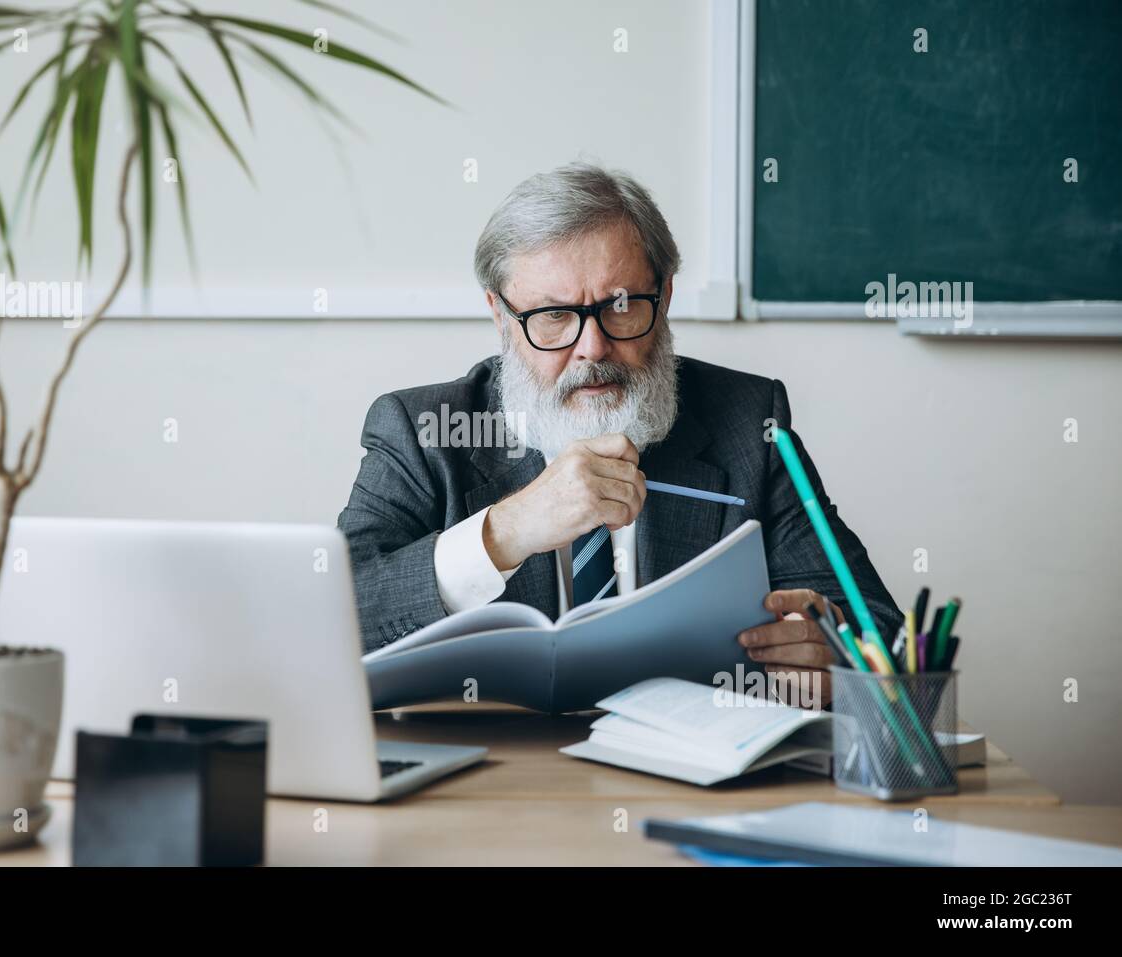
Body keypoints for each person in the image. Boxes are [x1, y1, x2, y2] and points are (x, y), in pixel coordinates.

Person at [337, 162, 901, 709]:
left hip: (684, 778)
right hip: (489, 778)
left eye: (622, 305)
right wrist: (506, 531)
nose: (593, 348)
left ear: (667, 298)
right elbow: (338, 622)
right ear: (501, 315)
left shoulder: (749, 424)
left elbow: (886, 635)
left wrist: (842, 659)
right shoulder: (422, 432)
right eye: (554, 314)